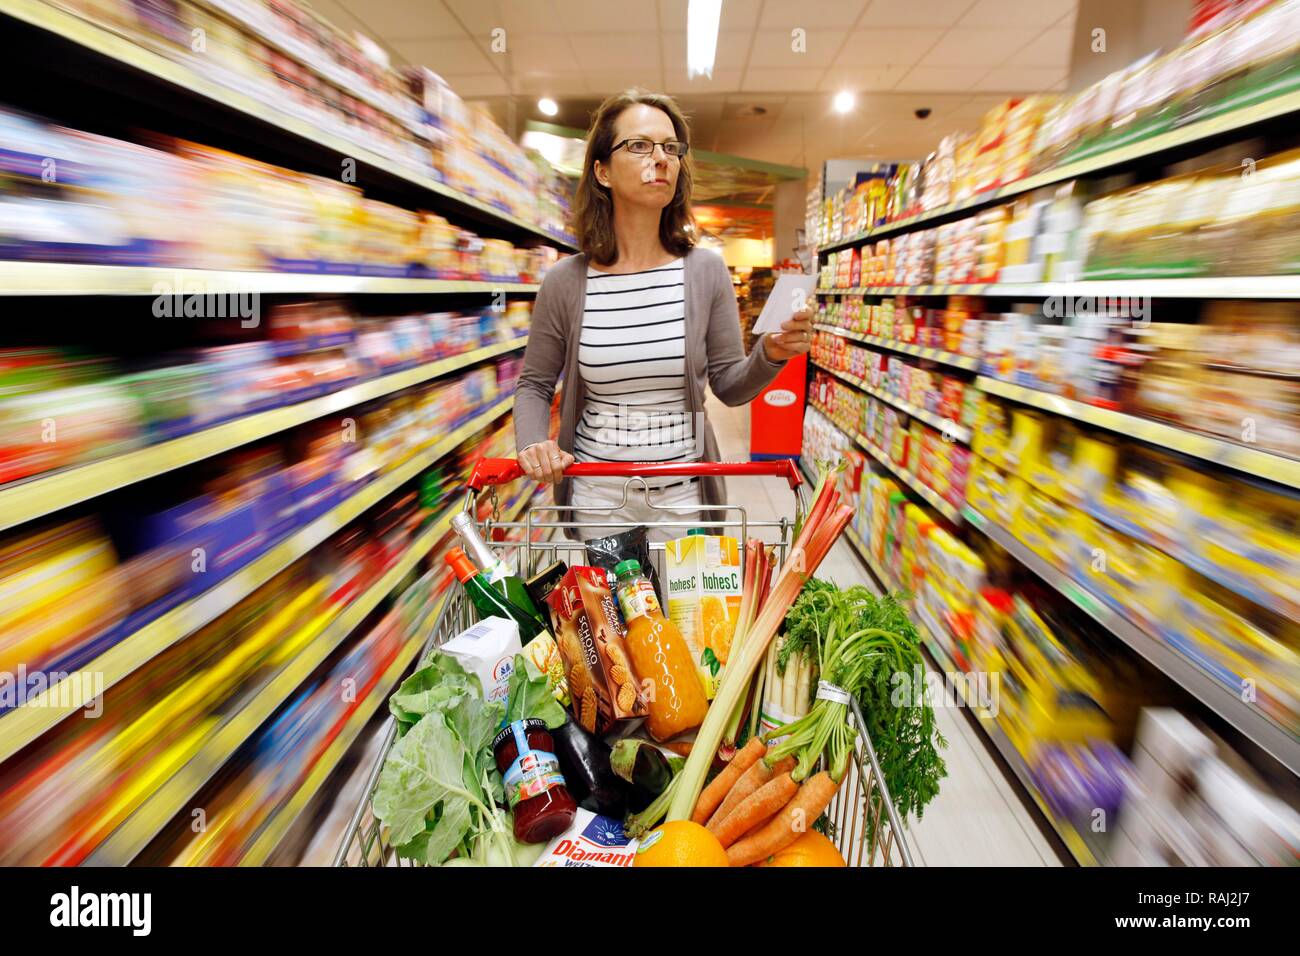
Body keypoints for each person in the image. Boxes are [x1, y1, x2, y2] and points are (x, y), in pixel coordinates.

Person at [513, 89, 812, 540]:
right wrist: (534, 443)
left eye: (671, 148)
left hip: (683, 500)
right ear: (602, 171)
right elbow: (534, 384)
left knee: (685, 614)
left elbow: (729, 387)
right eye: (639, 145)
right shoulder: (566, 281)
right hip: (599, 500)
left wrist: (770, 353)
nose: (661, 158)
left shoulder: (705, 270)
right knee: (610, 614)